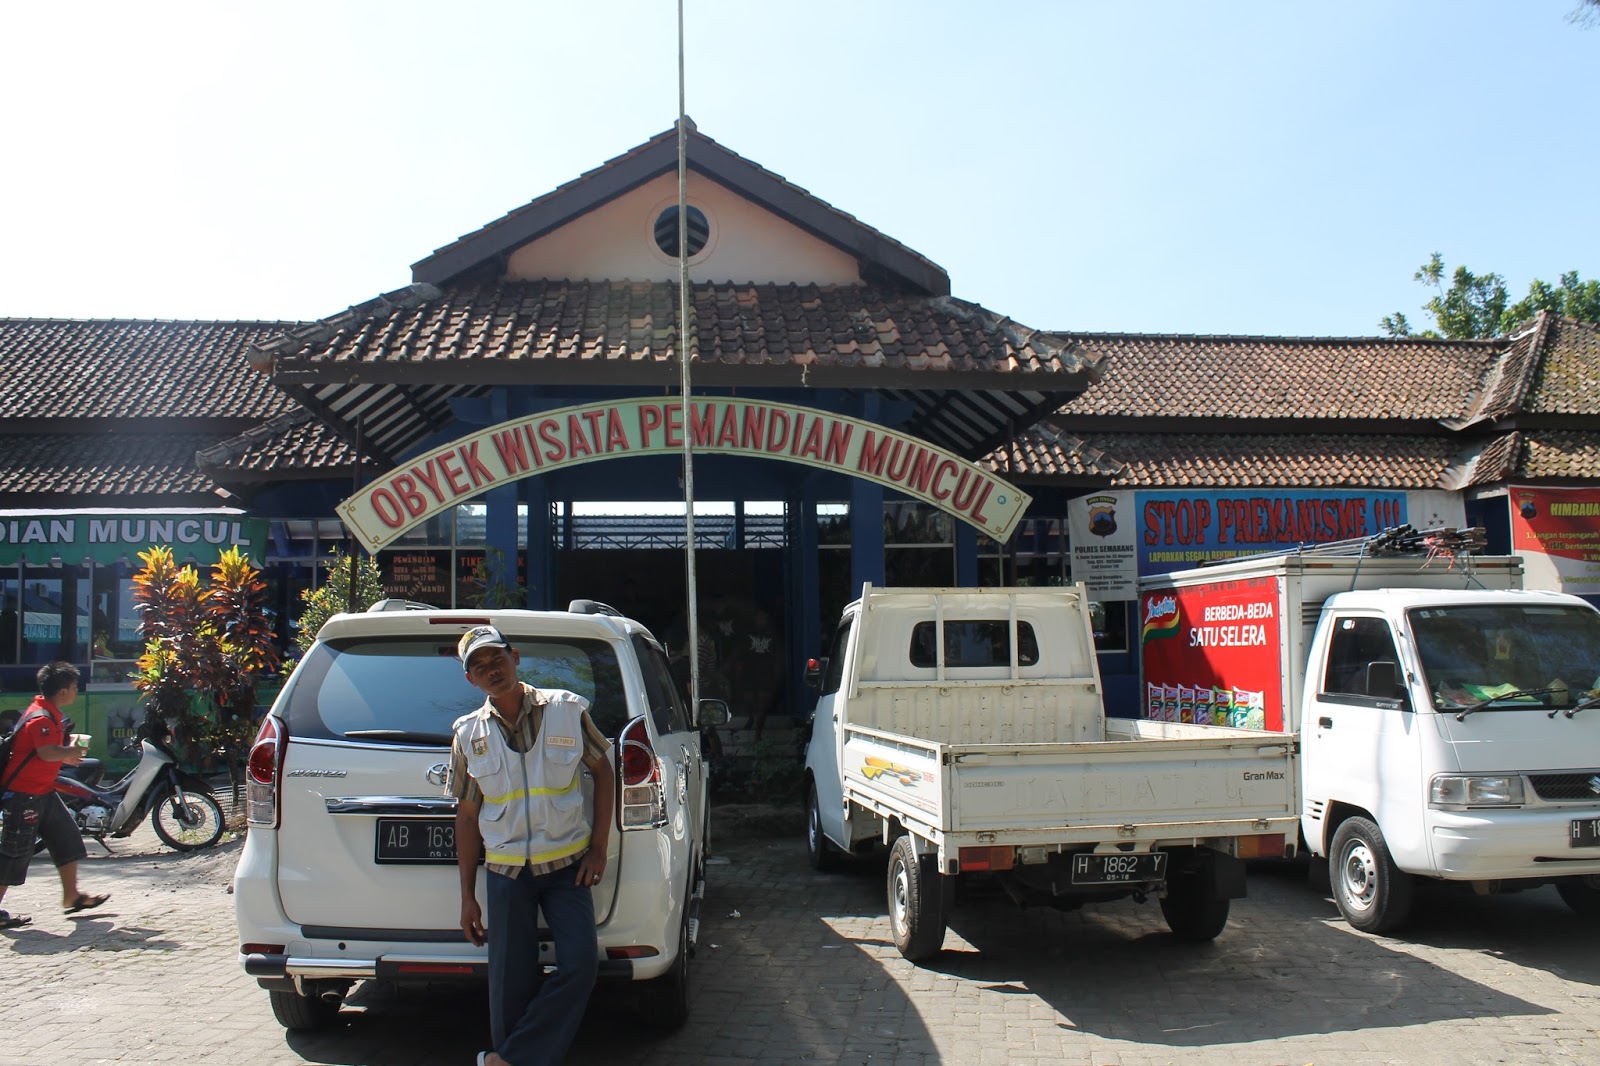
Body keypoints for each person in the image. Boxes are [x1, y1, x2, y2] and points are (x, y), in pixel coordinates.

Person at [449, 625, 615, 1066]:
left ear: (515, 656)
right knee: (510, 984)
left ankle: (507, 1059)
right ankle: (513, 1058)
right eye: (479, 667)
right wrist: (467, 897)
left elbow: (604, 771)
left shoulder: (565, 709)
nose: (491, 670)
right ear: (471, 679)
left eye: (496, 659)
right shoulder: (468, 734)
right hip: (506, 875)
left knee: (580, 967)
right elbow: (466, 818)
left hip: (567, 869)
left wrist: (598, 849)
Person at [0, 661, 110, 929]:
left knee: (67, 839)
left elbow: (45, 754)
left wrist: (67, 755)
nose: (76, 691)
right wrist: (69, 753)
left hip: (43, 793)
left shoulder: (48, 713)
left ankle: (72, 896)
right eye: (74, 687)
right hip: (24, 796)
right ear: (62, 691)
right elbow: (47, 752)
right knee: (14, 853)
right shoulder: (41, 718)